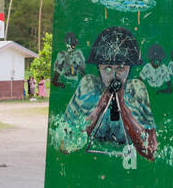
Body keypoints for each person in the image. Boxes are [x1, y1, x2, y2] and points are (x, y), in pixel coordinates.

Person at [55, 26, 156, 160]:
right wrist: (99, 108)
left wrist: (124, 109)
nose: (114, 75)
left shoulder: (136, 90)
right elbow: (65, 145)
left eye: (121, 68)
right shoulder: (89, 86)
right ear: (98, 67)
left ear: (130, 68)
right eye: (107, 68)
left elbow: (150, 151)